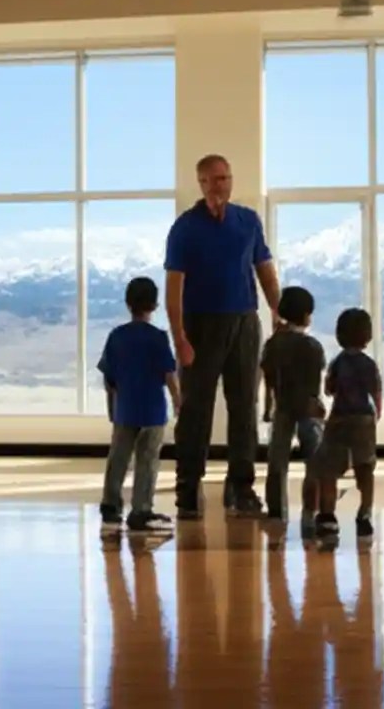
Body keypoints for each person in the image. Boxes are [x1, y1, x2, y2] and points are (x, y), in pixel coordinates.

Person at [165, 154, 281, 519]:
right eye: (213, 179)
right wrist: (180, 337)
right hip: (200, 326)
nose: (220, 186)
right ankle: (187, 485)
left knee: (244, 405)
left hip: (244, 322)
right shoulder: (185, 228)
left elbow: (264, 270)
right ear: (200, 183)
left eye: (225, 178)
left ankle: (242, 485)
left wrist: (280, 311)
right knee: (196, 408)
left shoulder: (248, 221)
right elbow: (173, 289)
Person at [97, 277, 181, 534]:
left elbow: (108, 376)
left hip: (126, 409)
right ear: (155, 305)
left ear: (127, 303)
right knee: (147, 460)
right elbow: (169, 374)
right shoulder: (158, 338)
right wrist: (178, 401)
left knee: (119, 457)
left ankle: (111, 505)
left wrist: (113, 404)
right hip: (153, 411)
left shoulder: (117, 336)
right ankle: (141, 509)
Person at [309, 308, 380, 539]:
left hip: (339, 418)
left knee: (328, 468)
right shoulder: (369, 364)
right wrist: (375, 414)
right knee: (365, 467)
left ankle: (328, 516)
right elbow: (375, 391)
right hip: (364, 419)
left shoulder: (337, 362)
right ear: (367, 336)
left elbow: (329, 389)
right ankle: (365, 512)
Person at [260, 286, 327, 521]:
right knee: (315, 460)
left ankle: (276, 508)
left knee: (277, 460)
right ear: (307, 315)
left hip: (283, 407)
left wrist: (268, 407)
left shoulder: (273, 344)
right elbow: (316, 379)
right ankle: (312, 507)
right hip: (308, 409)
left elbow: (268, 379)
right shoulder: (312, 346)